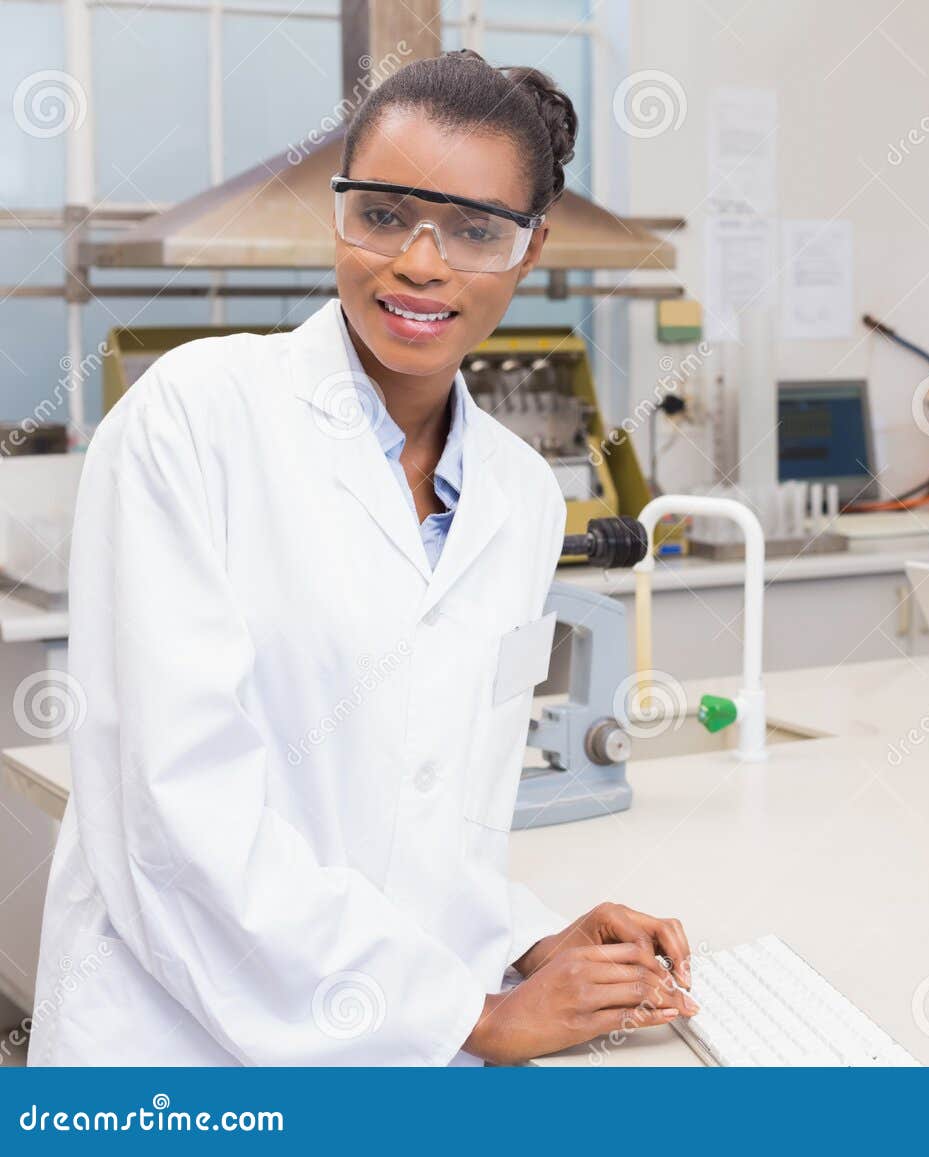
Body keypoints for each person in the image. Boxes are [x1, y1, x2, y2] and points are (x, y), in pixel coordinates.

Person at [30, 52, 697, 1067]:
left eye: (475, 229)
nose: (421, 263)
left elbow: (430, 809)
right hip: (174, 1054)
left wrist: (522, 940)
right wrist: (472, 1017)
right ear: (338, 211)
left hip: (393, 1050)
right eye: (384, 214)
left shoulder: (518, 493)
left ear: (530, 248)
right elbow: (175, 818)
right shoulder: (193, 418)